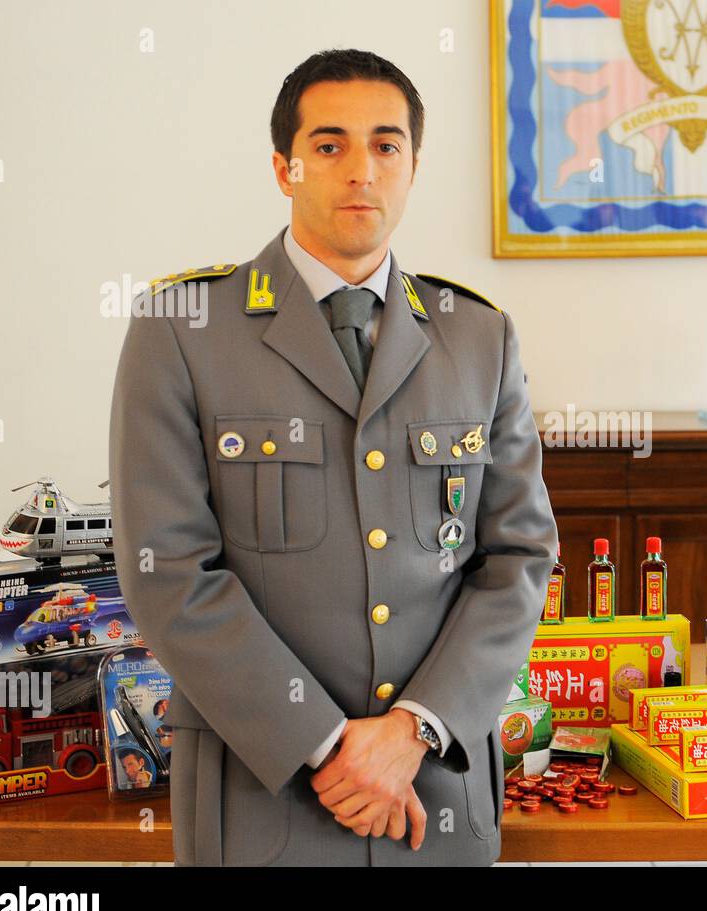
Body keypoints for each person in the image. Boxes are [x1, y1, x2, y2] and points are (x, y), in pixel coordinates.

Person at [109, 49, 557, 866]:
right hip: (262, 793)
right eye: (329, 145)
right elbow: (168, 571)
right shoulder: (181, 330)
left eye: (386, 146)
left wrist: (413, 731)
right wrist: (327, 744)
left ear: (414, 165)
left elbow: (520, 558)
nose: (361, 170)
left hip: (438, 792)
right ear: (284, 167)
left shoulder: (479, 336)